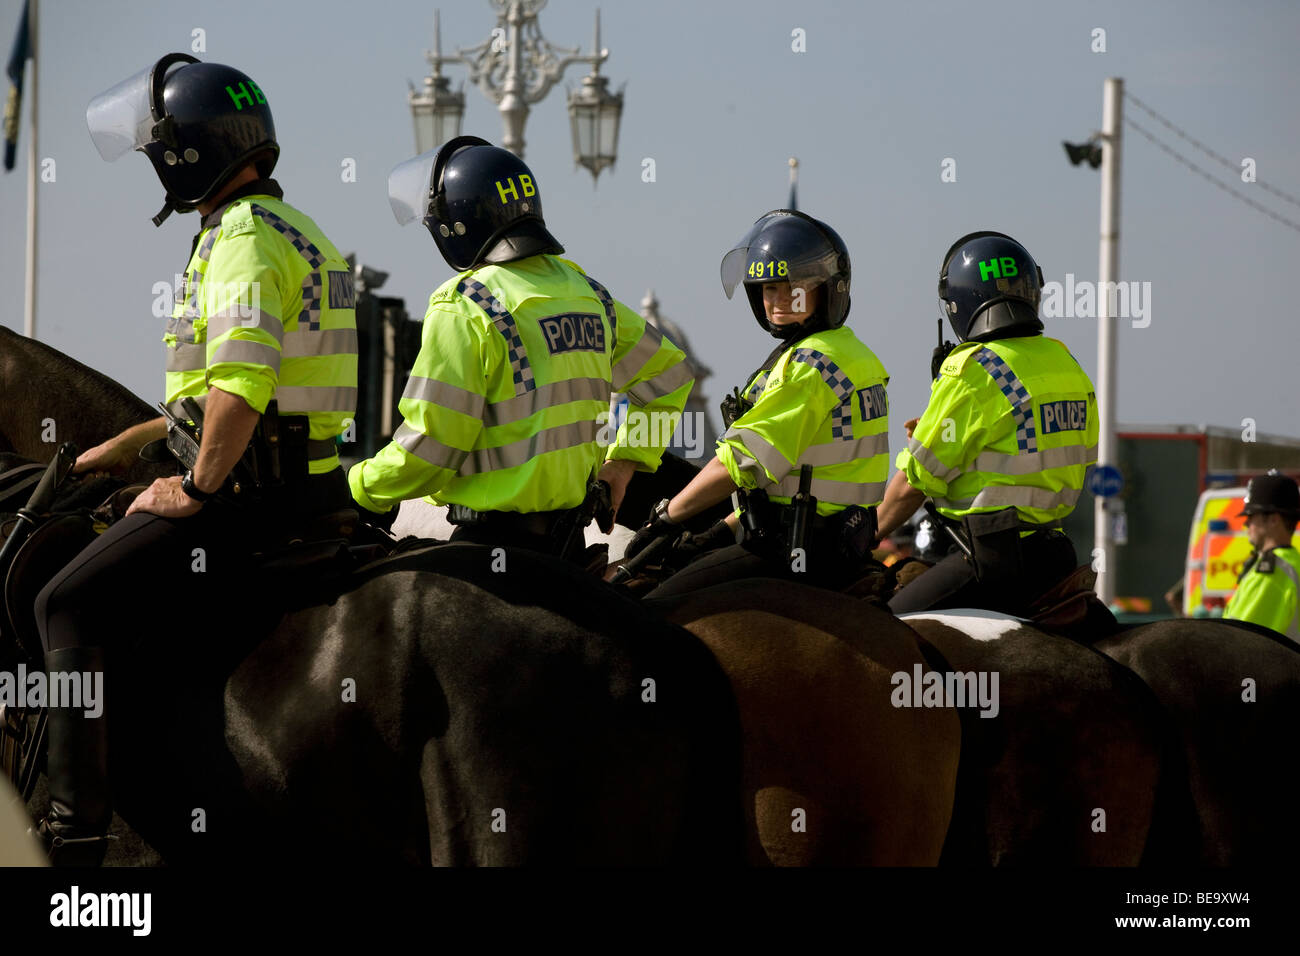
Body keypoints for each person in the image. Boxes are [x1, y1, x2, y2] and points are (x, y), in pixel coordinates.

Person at [32, 54, 359, 864]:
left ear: (189, 153)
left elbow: (242, 391)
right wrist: (136, 443)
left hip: (248, 497)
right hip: (311, 490)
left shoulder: (240, 239)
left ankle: (74, 828)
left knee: (62, 601)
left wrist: (196, 489)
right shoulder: (299, 230)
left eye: (157, 152)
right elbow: (222, 393)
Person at [347, 136, 693, 558]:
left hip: (492, 547)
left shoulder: (465, 304)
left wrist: (361, 488)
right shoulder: (587, 293)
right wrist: (623, 464)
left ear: (458, 225)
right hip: (567, 548)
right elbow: (671, 375)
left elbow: (432, 447)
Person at [627, 209, 890, 598]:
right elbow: (791, 477)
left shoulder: (810, 365)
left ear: (828, 290)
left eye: (794, 288)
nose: (779, 301)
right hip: (838, 538)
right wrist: (718, 532)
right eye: (770, 289)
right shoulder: (855, 355)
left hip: (793, 548)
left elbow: (740, 463)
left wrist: (665, 520)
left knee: (656, 605)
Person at [876, 231, 1097, 614]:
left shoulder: (973, 369)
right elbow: (1045, 452)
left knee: (883, 629)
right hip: (1057, 555)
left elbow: (914, 483)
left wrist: (864, 536)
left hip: (992, 560)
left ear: (958, 303)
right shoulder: (1065, 362)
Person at [1224, 470, 1300, 641]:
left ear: (1274, 519)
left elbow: (1237, 642)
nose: (1246, 522)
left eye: (1251, 515)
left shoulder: (1273, 573)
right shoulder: (1293, 563)